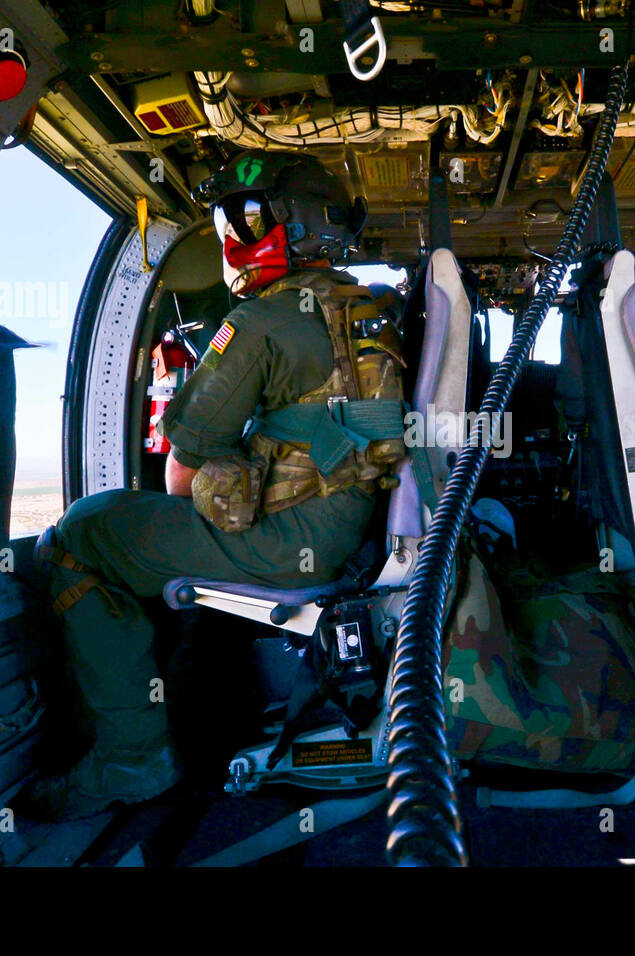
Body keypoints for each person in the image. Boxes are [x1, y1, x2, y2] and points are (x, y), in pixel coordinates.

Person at [20, 151, 404, 821]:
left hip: (285, 544)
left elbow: (187, 453)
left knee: (82, 534)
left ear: (297, 227)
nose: (233, 237)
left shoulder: (257, 322)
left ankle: (132, 758)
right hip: (347, 530)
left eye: (248, 219)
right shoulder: (365, 309)